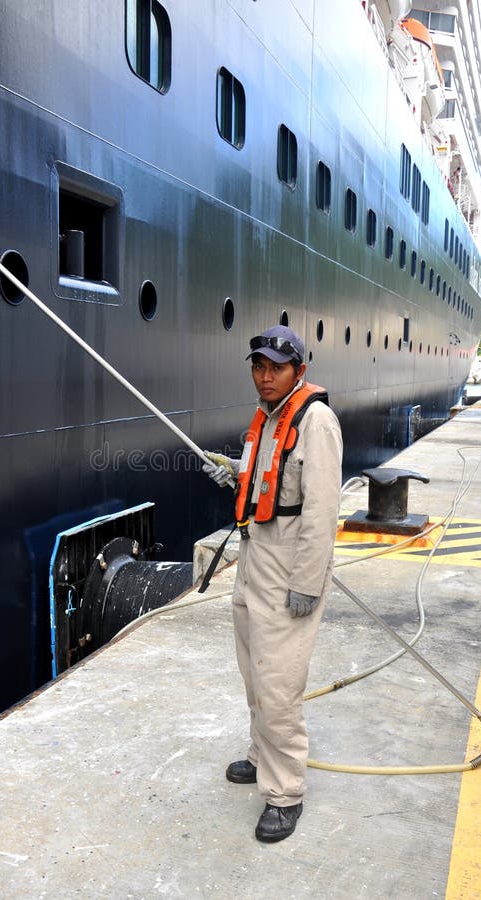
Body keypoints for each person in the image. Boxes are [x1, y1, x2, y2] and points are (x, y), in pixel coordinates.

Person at [203, 324, 342, 843]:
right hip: (253, 558)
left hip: (288, 569)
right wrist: (235, 472)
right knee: (253, 672)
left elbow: (322, 509)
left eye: (276, 368)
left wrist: (306, 582)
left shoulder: (317, 422)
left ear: (298, 371)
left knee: (279, 684)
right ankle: (262, 756)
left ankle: (285, 794)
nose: (264, 377)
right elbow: (269, 477)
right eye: (258, 366)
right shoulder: (267, 418)